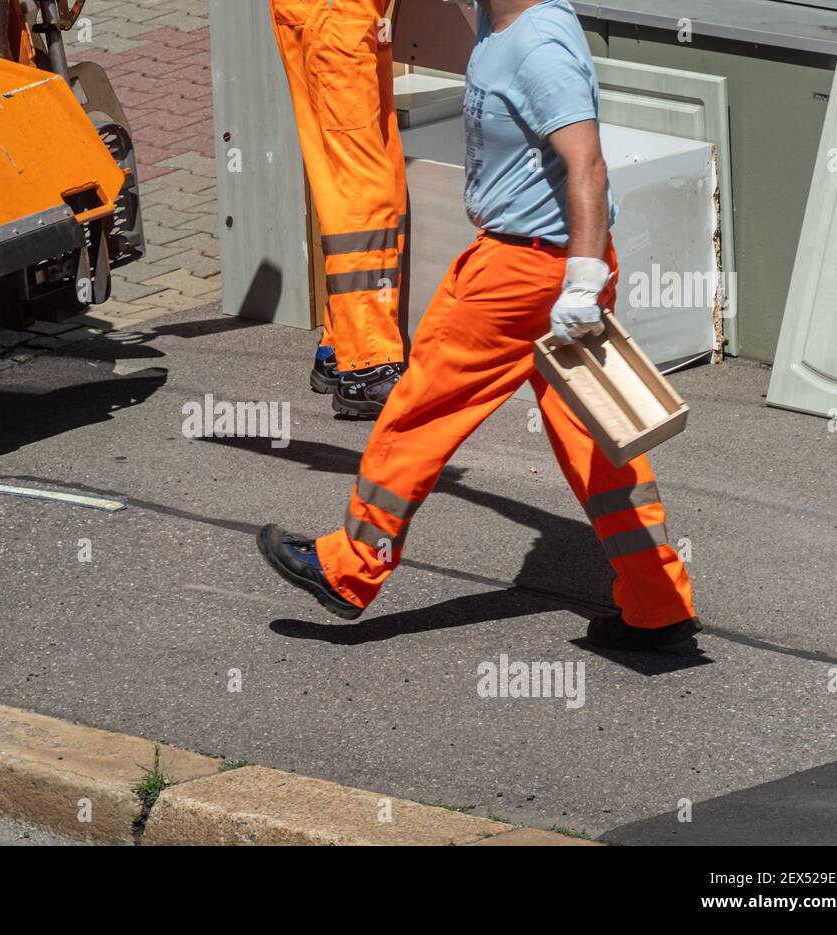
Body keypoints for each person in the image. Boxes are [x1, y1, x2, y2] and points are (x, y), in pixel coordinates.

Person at [257, 0, 700, 651]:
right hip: (551, 269)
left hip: (521, 274)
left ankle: (350, 568)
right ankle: (658, 602)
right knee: (597, 443)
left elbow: (587, 165)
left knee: (418, 413)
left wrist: (581, 283)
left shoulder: (538, 45)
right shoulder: (503, 17)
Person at [269, 0, 408, 419]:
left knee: (361, 181)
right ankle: (368, 364)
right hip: (338, 20)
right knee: (363, 193)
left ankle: (343, 345)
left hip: (339, 16)